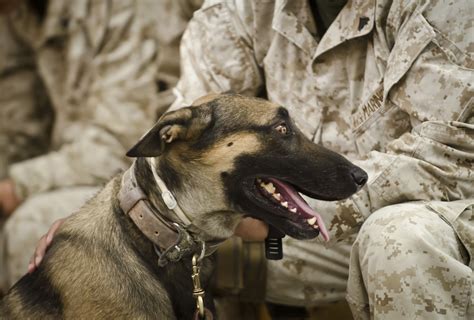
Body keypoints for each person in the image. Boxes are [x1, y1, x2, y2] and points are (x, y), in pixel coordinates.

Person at [29, 0, 474, 319]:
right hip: (284, 224)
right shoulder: (236, 10)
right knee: (111, 247)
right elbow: (184, 148)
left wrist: (287, 207)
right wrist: (108, 220)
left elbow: (452, 154)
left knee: (397, 240)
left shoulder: (441, 8)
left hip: (434, 218)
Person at [0, 0, 201, 293]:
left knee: (33, 227)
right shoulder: (19, 14)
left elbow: (122, 148)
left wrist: (14, 188)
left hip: (161, 185)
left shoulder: (123, 8)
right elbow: (18, 129)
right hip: (86, 170)